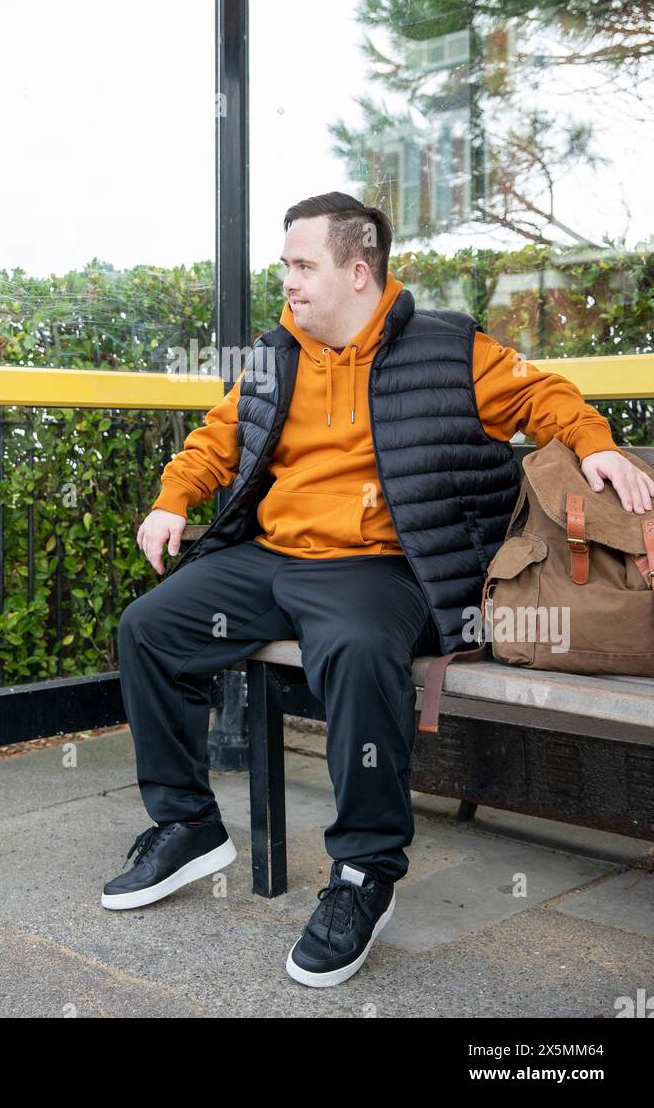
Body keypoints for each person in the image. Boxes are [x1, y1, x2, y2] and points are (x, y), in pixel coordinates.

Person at [101, 191, 654, 988]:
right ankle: (186, 824)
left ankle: (364, 872)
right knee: (150, 627)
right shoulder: (279, 351)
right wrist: (171, 498)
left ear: (358, 272)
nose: (286, 280)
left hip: (387, 566)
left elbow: (543, 394)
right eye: (284, 264)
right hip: (273, 556)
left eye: (302, 265)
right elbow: (221, 434)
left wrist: (596, 445)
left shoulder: (448, 349)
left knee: (360, 650)